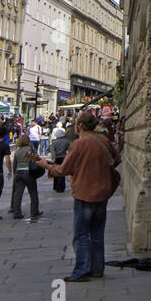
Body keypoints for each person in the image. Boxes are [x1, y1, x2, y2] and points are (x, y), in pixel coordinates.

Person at [41, 111, 119, 282]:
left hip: (84, 193)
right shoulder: (103, 140)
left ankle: (81, 270)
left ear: (80, 125)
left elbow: (63, 170)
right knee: (97, 234)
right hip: (103, 192)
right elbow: (116, 158)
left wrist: (47, 166)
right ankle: (97, 269)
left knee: (81, 234)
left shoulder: (79, 144)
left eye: (76, 122)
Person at [10, 132, 43, 221]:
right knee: (33, 193)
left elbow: (15, 164)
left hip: (18, 173)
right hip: (28, 173)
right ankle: (34, 211)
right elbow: (36, 159)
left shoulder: (17, 150)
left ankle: (17, 212)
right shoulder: (30, 149)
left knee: (18, 194)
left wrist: (14, 174)